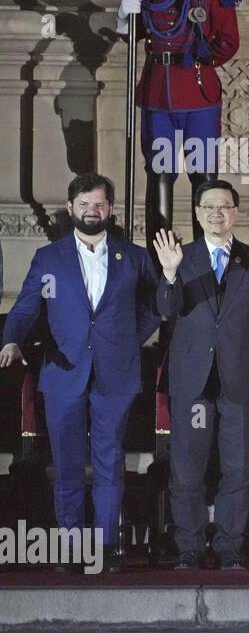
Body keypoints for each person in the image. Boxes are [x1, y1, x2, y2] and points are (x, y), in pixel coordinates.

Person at [0, 174, 161, 574]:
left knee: (110, 460)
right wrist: (10, 340)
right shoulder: (48, 258)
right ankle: (73, 548)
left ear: (111, 209)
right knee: (67, 463)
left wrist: (127, 338)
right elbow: (25, 308)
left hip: (115, 373)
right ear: (71, 208)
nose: (93, 211)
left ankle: (104, 548)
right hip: (63, 372)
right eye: (85, 204)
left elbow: (156, 305)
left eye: (100, 204)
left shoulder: (133, 258)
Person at [153, 180, 249, 571]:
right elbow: (166, 311)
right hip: (193, 382)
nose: (216, 214)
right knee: (187, 468)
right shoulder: (181, 257)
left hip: (238, 381)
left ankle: (228, 548)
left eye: (224, 207)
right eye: (208, 208)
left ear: (235, 213)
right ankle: (189, 546)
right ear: (197, 213)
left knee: (238, 469)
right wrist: (170, 274)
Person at [116, 0, 242, 246]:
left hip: (198, 93)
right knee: (160, 174)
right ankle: (160, 260)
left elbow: (230, 40)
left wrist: (209, 55)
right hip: (159, 92)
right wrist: (123, 17)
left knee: (204, 176)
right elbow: (132, 36)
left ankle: (205, 254)